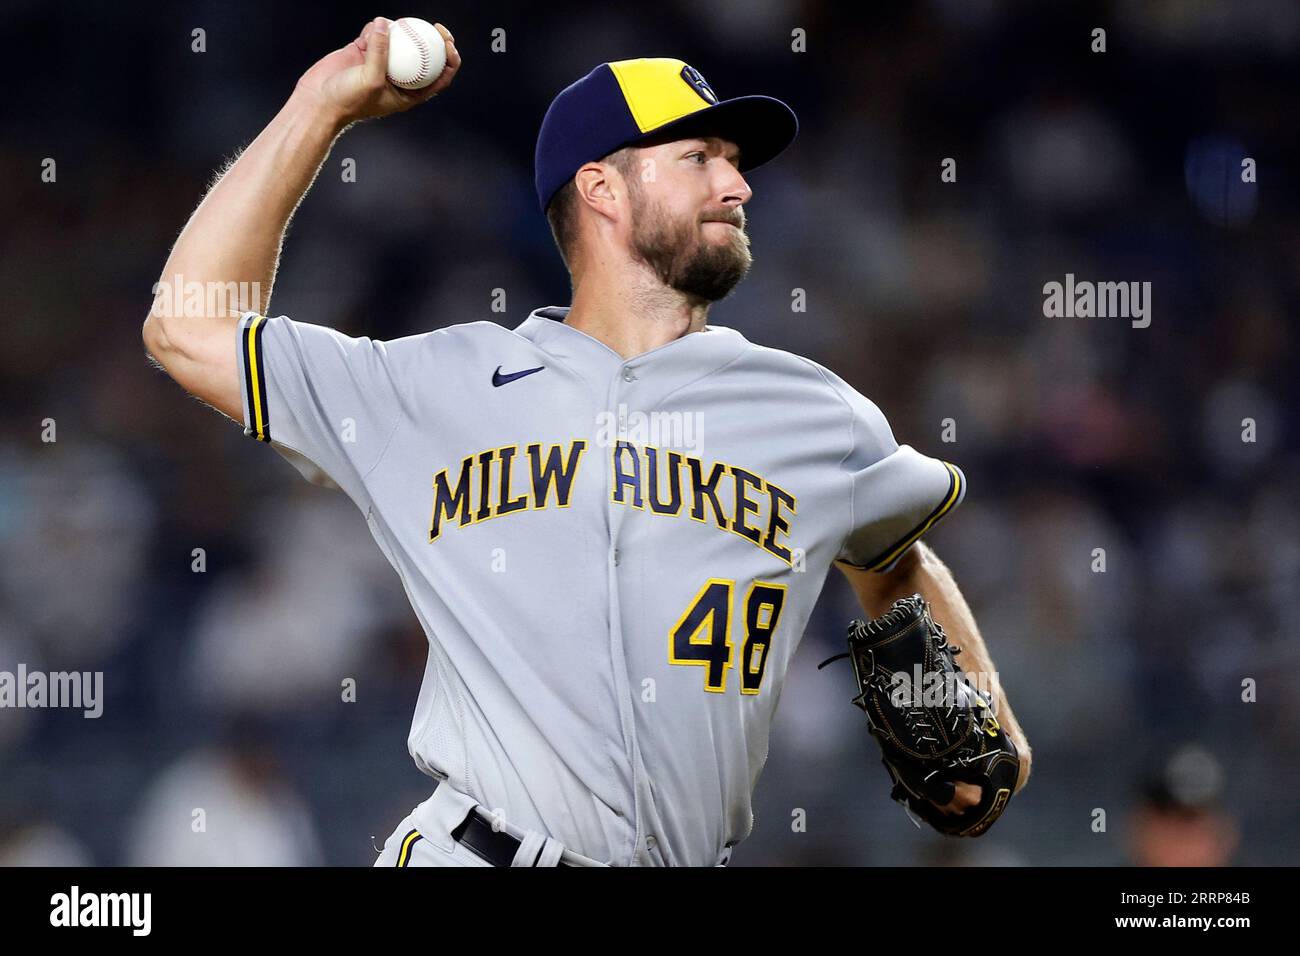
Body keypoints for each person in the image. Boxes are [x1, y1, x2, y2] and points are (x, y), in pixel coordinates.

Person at [142, 17, 1031, 867]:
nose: (738, 185)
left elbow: (893, 558)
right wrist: (317, 106)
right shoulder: (433, 387)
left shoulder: (817, 416)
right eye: (698, 158)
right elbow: (187, 329)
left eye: (733, 163)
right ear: (601, 187)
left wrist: (982, 711)